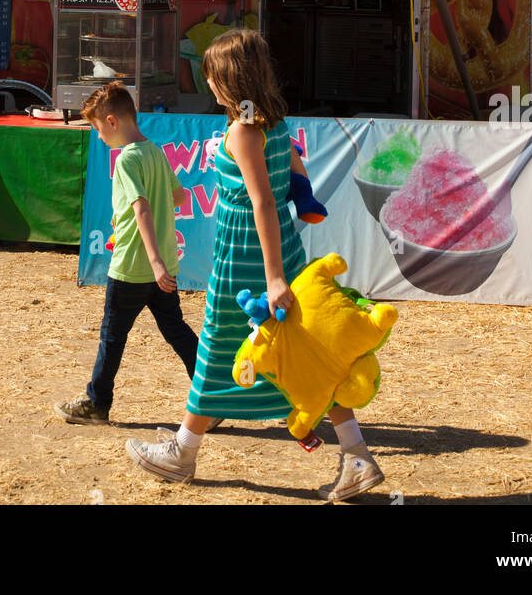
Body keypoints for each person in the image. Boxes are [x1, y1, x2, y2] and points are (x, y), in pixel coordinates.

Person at [125, 28, 385, 502]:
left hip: (247, 260)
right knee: (304, 353)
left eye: (212, 76)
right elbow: (289, 178)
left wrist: (273, 279)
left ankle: (183, 452)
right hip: (276, 249)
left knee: (218, 350)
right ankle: (357, 455)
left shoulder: (245, 131)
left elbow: (264, 203)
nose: (209, 84)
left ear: (229, 78)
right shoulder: (272, 123)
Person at [55, 82, 199, 425]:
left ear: (112, 121)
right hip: (161, 268)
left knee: (112, 338)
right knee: (177, 331)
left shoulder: (127, 160)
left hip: (134, 268)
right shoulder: (154, 151)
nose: (99, 135)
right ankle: (211, 397)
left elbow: (141, 207)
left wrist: (152, 258)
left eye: (97, 127)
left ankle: (97, 404)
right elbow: (179, 199)